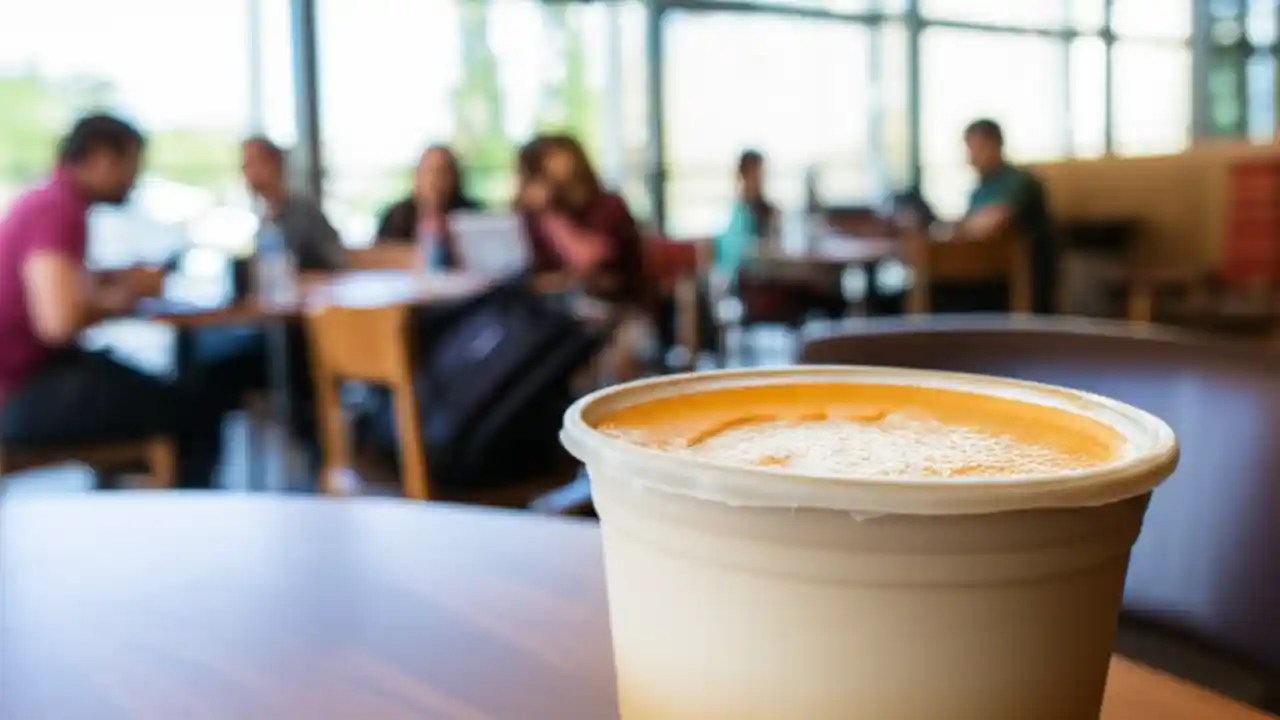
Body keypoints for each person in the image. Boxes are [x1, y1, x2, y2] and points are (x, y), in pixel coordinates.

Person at [0, 115, 223, 488]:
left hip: (27, 382)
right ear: (103, 157)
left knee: (138, 393)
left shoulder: (44, 201)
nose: (133, 180)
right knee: (195, 410)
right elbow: (57, 322)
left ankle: (124, 511)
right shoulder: (57, 209)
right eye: (132, 165)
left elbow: (60, 286)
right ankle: (184, 531)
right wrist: (124, 298)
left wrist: (117, 280)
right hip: (21, 393)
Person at [521, 134, 645, 305]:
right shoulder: (533, 216)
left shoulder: (608, 206)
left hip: (616, 307)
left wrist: (548, 214)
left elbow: (585, 261)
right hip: (553, 307)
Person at [956, 118, 1056, 314]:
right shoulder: (979, 190)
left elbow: (993, 224)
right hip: (982, 272)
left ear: (994, 145)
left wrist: (970, 226)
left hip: (1018, 280)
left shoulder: (1019, 181)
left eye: (975, 149)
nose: (971, 158)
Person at [241, 136, 345, 271]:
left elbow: (335, 262)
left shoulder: (305, 214)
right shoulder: (267, 218)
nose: (246, 172)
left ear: (275, 164)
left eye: (251, 163)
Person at [375, 144, 479, 269]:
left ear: (456, 177)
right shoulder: (396, 216)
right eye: (429, 171)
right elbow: (379, 257)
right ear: (416, 176)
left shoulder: (474, 215)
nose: (435, 180)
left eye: (442, 172)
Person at [716, 150, 776, 281]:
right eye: (755, 173)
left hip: (764, 273)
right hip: (737, 275)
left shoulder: (769, 210)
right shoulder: (735, 210)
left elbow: (775, 243)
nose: (759, 179)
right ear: (743, 175)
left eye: (761, 173)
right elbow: (730, 251)